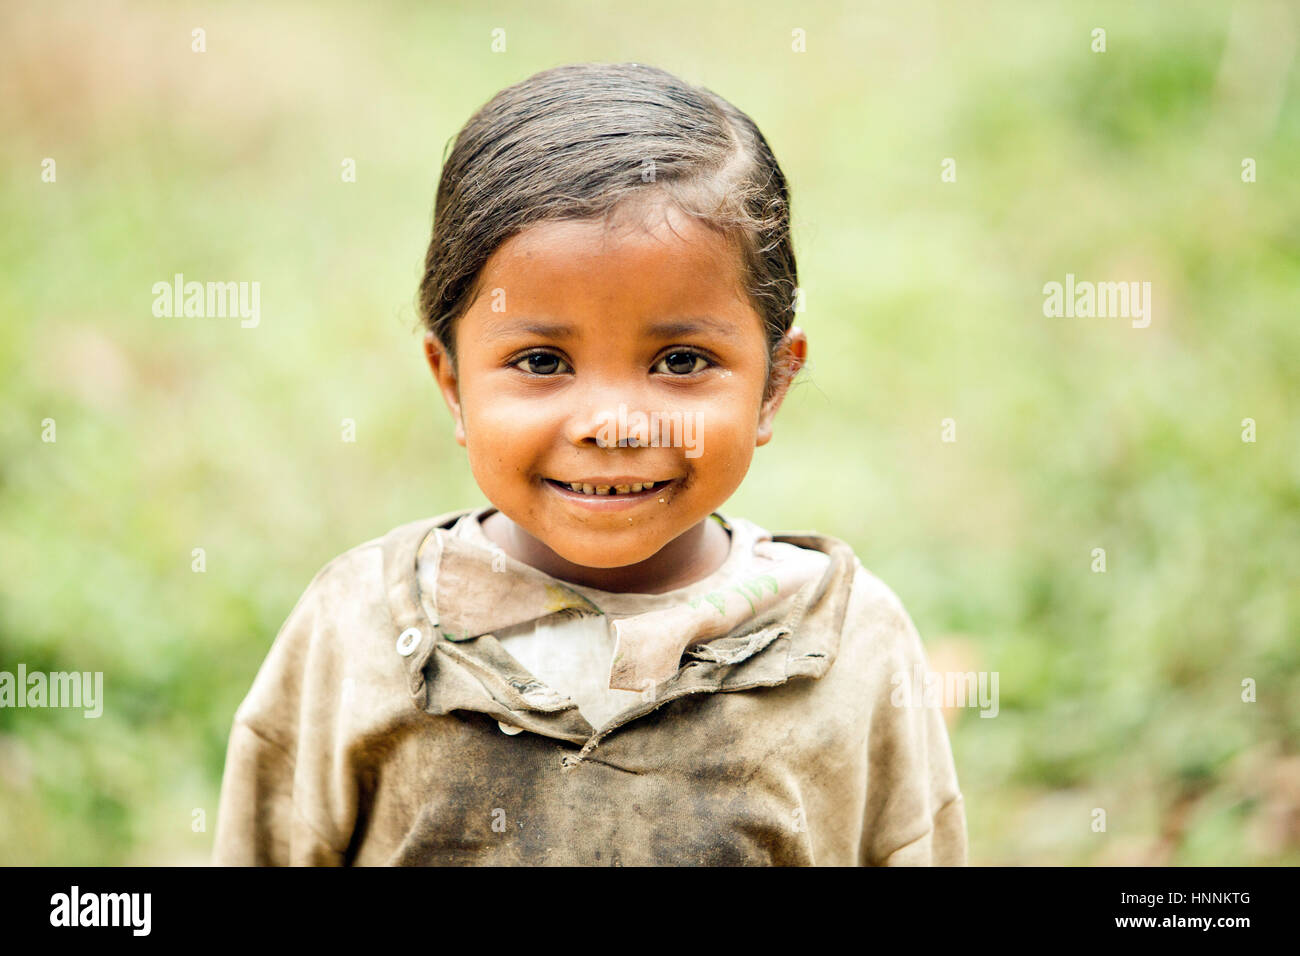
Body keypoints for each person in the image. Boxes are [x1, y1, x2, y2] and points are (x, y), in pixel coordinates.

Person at [212, 62, 967, 866]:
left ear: (773, 385)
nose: (613, 423)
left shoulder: (850, 646)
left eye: (680, 361)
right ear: (453, 384)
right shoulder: (356, 630)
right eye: (541, 362)